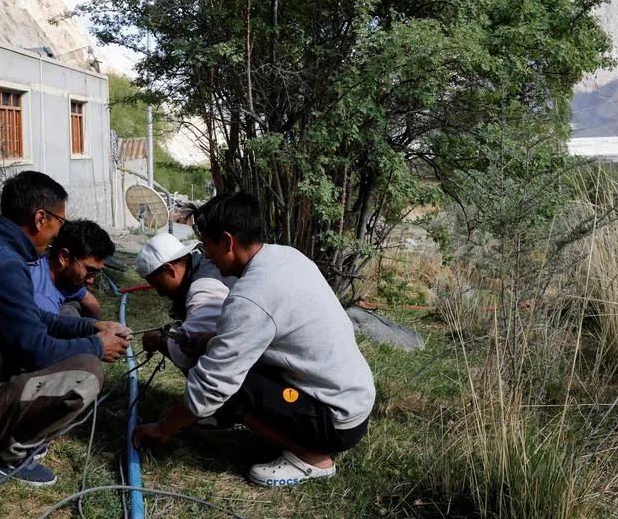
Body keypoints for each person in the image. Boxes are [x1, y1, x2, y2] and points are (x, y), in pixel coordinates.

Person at [133, 192, 376, 487]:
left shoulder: (251, 296)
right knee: (223, 361)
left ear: (227, 241)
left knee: (231, 387)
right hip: (353, 399)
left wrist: (163, 428)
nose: (206, 256)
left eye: (207, 246)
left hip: (335, 420)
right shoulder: (286, 257)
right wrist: (213, 339)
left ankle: (313, 458)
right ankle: (292, 429)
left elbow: (213, 384)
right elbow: (275, 332)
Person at [0, 171, 131, 487]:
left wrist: (90, 327)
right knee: (87, 374)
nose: (58, 233)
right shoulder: (4, 265)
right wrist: (98, 346)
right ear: (40, 218)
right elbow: (37, 350)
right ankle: (3, 455)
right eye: (60, 222)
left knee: (78, 359)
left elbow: (35, 318)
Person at [135, 231, 235, 371]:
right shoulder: (202, 262)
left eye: (158, 285)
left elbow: (186, 354)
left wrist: (157, 340)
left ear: (170, 269)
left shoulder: (204, 289)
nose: (160, 293)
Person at [29, 219, 110, 320]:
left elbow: (89, 299)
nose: (91, 281)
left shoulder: (62, 276)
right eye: (89, 270)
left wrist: (97, 324)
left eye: (95, 273)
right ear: (64, 257)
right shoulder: (43, 302)